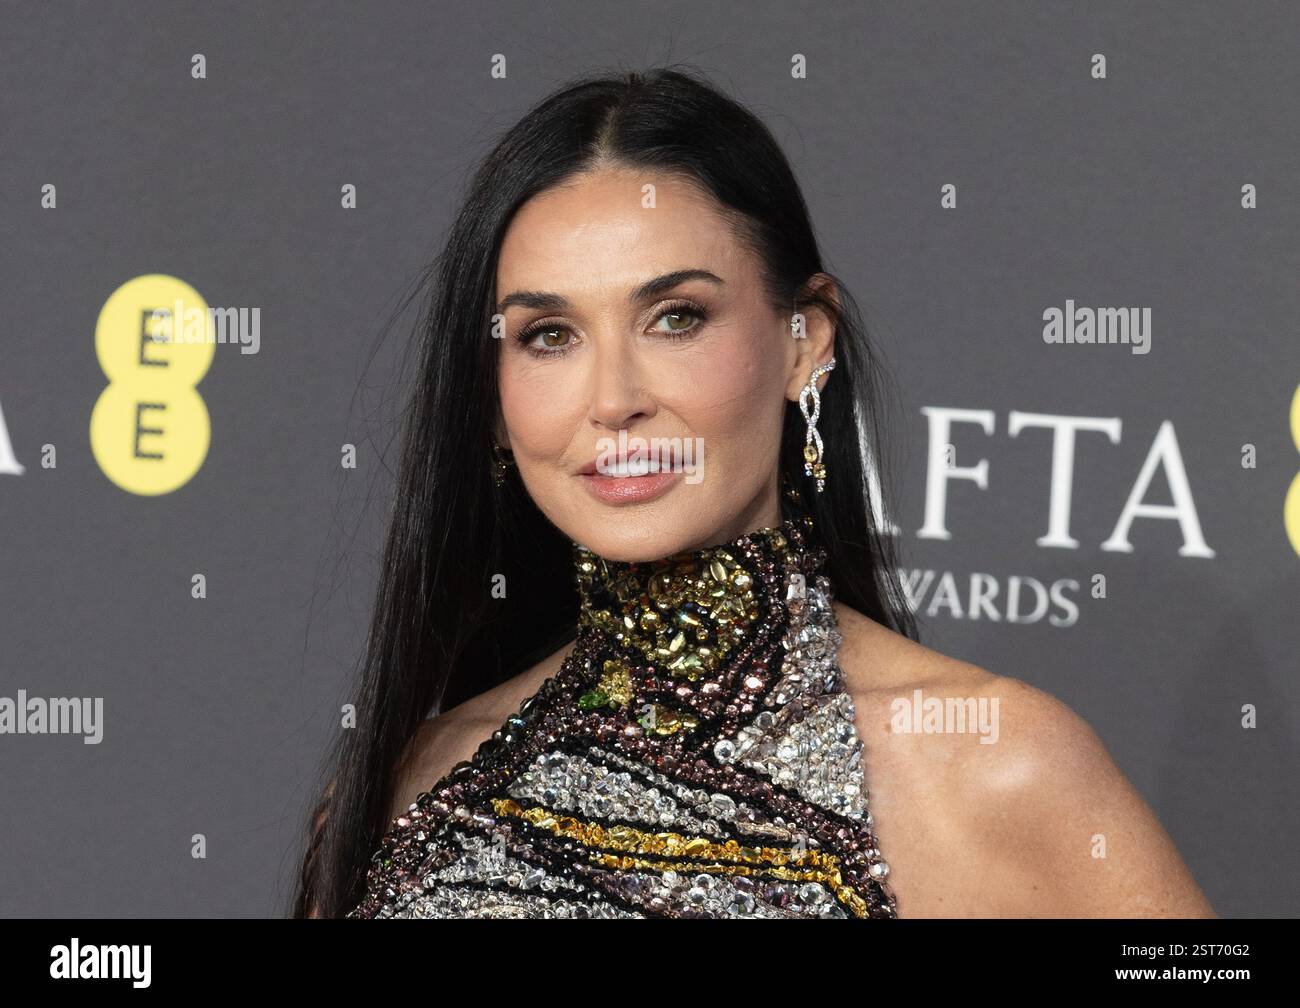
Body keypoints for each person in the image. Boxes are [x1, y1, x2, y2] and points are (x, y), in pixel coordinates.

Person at [294, 66, 1214, 919]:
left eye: (676, 318)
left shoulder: (994, 763)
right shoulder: (401, 796)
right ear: (494, 402)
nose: (612, 399)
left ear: (803, 341)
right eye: (549, 336)